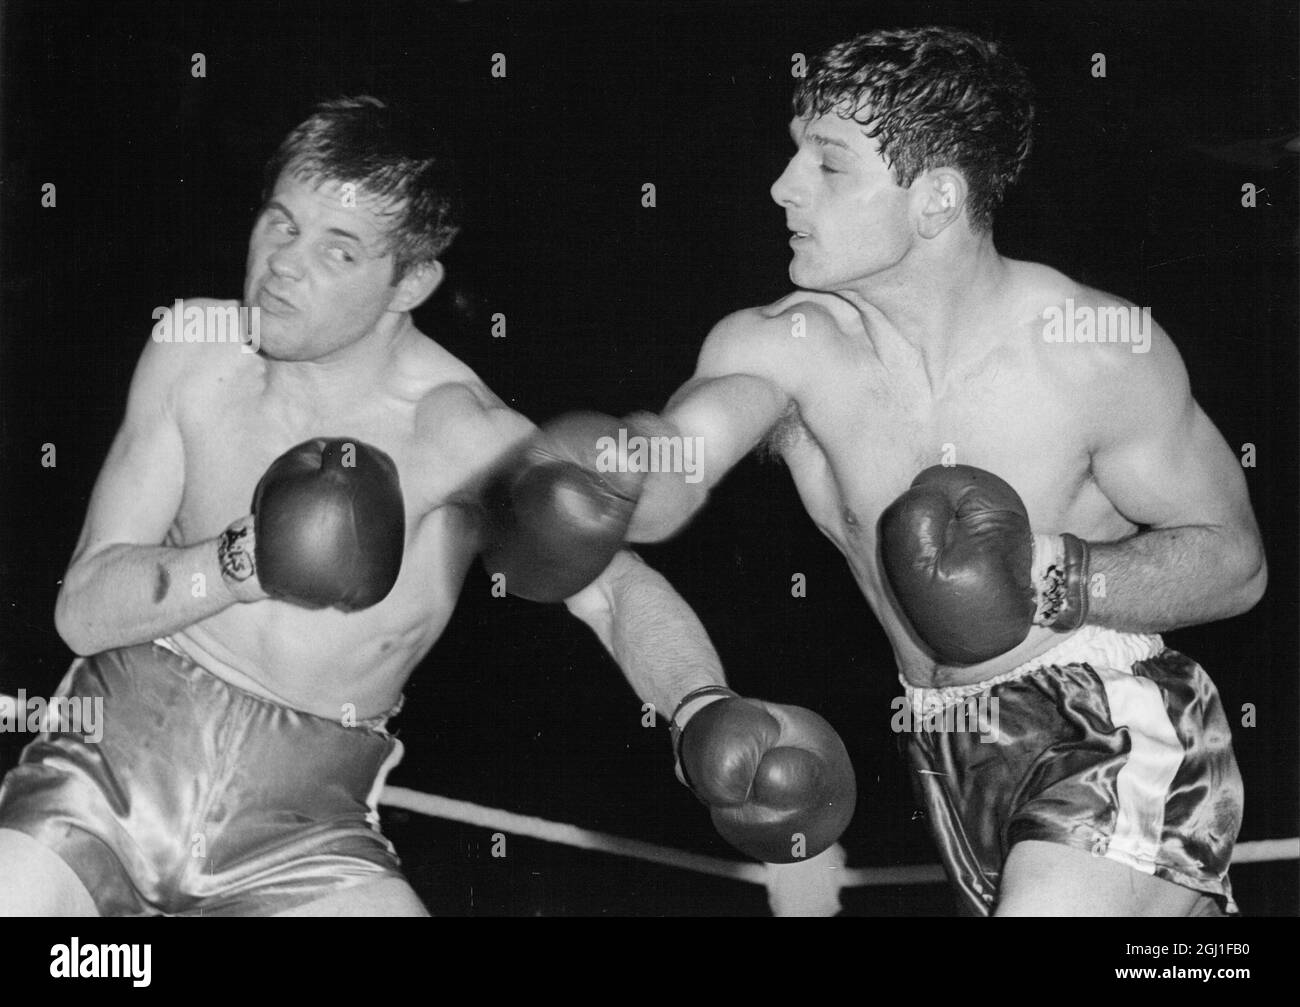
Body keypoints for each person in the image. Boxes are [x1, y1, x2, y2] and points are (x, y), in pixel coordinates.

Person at [0, 97, 853, 917]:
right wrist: (239, 561)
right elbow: (82, 610)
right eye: (281, 222)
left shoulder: (463, 434)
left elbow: (615, 590)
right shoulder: (194, 352)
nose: (283, 264)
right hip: (110, 764)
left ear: (410, 282)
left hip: (303, 830)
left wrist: (699, 702)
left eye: (339, 251)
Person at [621, 26, 1266, 916]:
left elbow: (1236, 564)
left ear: (934, 201)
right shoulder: (781, 345)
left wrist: (1053, 576)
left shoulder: (1092, 348)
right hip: (941, 747)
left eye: (829, 164)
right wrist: (610, 473)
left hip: (1106, 716)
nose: (783, 186)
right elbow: (676, 468)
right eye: (794, 151)